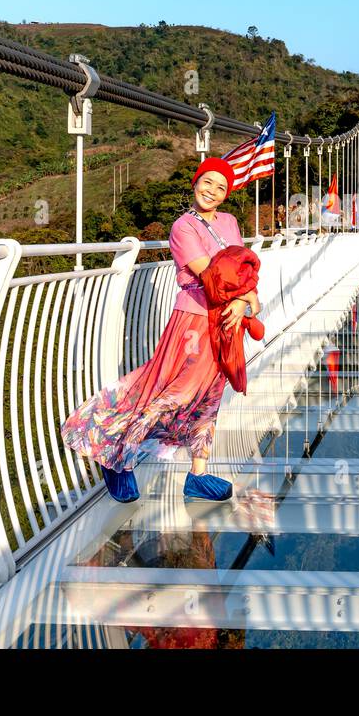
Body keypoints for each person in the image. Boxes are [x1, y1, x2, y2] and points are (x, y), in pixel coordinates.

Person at [61, 156, 261, 503]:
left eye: (221, 187)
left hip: (228, 321)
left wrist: (246, 300)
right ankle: (116, 456)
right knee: (171, 392)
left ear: (227, 194)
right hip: (195, 319)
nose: (212, 191)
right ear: (195, 183)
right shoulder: (183, 227)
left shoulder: (229, 222)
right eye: (207, 182)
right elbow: (211, 275)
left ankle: (197, 475)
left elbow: (242, 269)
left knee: (210, 398)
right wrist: (244, 299)